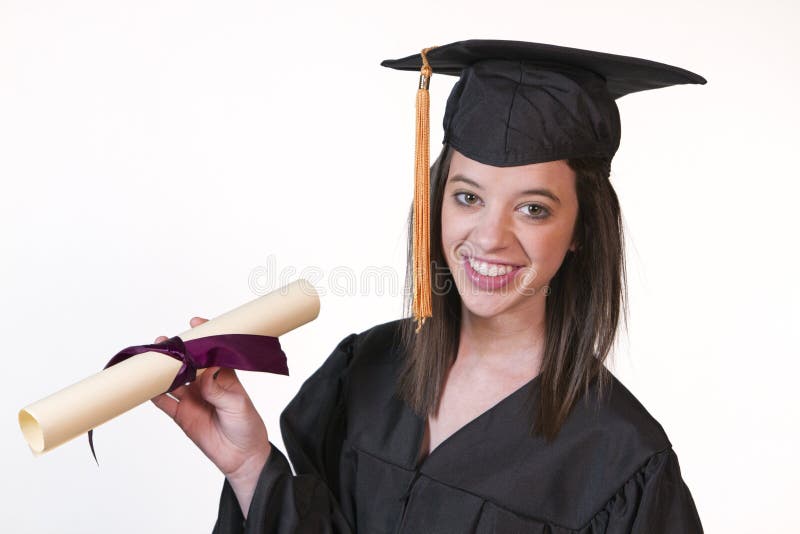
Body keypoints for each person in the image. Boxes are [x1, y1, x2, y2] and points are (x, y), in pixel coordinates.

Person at [151, 40, 706, 533]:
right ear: (436, 198)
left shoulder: (622, 462)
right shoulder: (366, 370)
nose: (489, 237)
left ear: (582, 229)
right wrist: (250, 467)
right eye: (468, 196)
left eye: (533, 208)